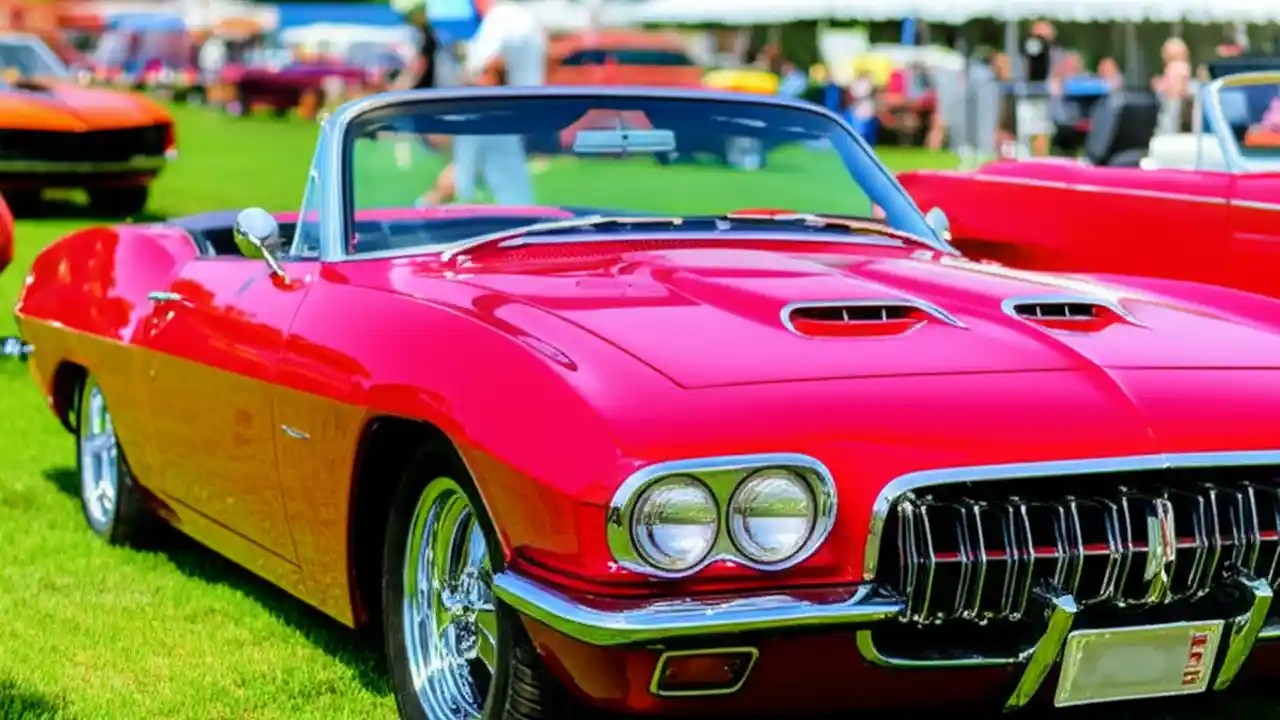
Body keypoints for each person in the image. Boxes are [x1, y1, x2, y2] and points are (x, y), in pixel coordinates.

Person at [418, 0, 546, 206]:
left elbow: (485, 70)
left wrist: (451, 112)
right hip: (514, 114)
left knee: (468, 178)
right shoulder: (525, 18)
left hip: (489, 115)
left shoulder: (498, 19)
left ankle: (424, 210)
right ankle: (425, 209)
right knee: (503, 186)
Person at [1018, 20, 1059, 156]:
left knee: (1042, 129)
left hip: (1043, 96)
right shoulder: (1033, 45)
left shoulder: (1053, 51)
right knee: (1027, 131)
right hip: (1029, 95)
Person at [1152, 37, 1192, 135]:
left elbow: (1174, 87)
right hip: (1174, 100)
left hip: (1172, 100)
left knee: (1170, 122)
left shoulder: (1176, 66)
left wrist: (1159, 86)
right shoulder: (1183, 66)